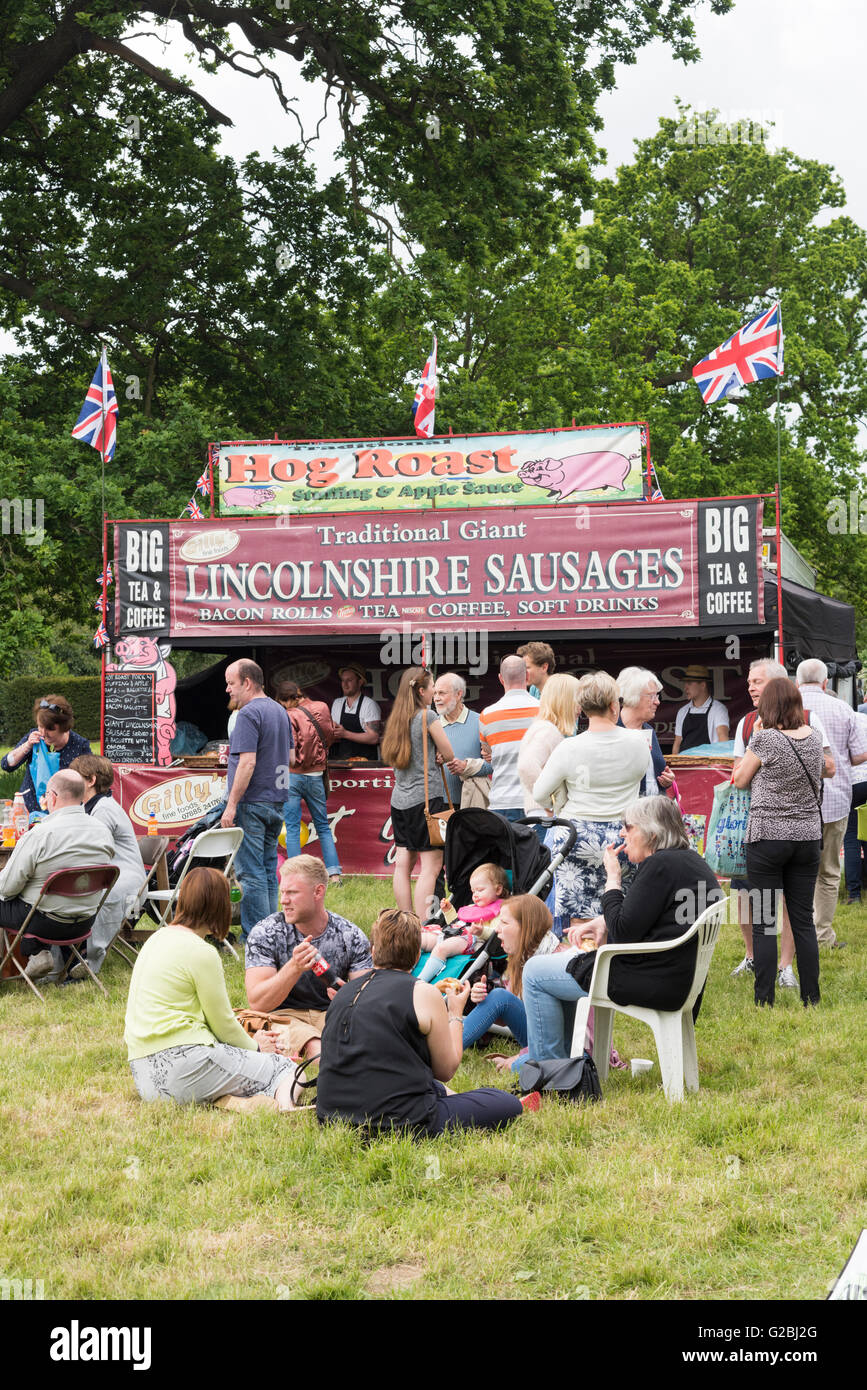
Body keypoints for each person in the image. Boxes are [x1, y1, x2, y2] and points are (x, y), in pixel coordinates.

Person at [521, 797, 723, 1059]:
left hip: (654, 979)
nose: (621, 833)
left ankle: (547, 1068)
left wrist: (613, 879)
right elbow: (652, 916)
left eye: (628, 827)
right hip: (677, 976)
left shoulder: (659, 865)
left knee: (535, 972)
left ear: (651, 832)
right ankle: (569, 1060)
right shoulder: (689, 861)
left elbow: (623, 932)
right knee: (562, 966)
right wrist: (603, 920)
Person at [315, 907, 530, 1135]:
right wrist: (455, 1013)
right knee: (506, 1103)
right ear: (418, 956)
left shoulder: (345, 991)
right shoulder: (422, 992)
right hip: (397, 1120)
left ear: (374, 950)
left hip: (331, 1114)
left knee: (431, 1085)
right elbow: (446, 1069)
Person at [125, 867, 299, 1110]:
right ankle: (286, 1108)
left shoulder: (157, 938)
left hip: (146, 1078)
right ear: (219, 906)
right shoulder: (202, 952)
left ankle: (236, 1103)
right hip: (186, 1065)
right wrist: (258, 1047)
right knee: (285, 1068)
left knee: (232, 1066)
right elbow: (223, 1024)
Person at [730, 658, 833, 984]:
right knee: (748, 896)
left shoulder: (804, 723)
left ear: (776, 688)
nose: (750, 687)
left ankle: (780, 972)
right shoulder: (747, 723)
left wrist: (772, 758)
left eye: (757, 681)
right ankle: (765, 965)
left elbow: (740, 777)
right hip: (798, 830)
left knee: (774, 909)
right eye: (749, 682)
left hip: (768, 831)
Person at [531, 671, 651, 923]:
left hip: (576, 835)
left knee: (577, 921)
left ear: (583, 708)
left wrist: (558, 804)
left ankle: (580, 960)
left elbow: (540, 792)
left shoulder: (569, 747)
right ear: (613, 705)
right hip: (624, 836)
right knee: (619, 911)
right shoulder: (638, 742)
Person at [244, 855, 373, 1062]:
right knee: (316, 1049)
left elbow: (369, 1000)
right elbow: (257, 1003)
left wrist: (346, 996)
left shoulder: (350, 935)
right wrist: (293, 968)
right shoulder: (266, 932)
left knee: (370, 1041)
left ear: (318, 892)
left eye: (292, 893)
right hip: (282, 1017)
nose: (283, 900)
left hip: (330, 1014)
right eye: (283, 892)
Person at [0, 769, 115, 980]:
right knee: (39, 893)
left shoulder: (40, 833)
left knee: (18, 896)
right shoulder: (103, 831)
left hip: (43, 922)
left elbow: (6, 888)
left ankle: (26, 957)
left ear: (52, 797)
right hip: (85, 921)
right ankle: (42, 952)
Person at [796, 658, 867, 949]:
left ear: (797, 681)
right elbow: (860, 754)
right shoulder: (843, 709)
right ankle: (822, 935)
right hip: (835, 797)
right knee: (827, 871)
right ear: (826, 683)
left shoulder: (784, 707)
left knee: (798, 872)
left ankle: (797, 934)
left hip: (795, 801)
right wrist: (839, 758)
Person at [221, 660, 292, 942]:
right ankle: (275, 931)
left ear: (247, 683)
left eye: (231, 683)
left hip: (251, 802)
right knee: (267, 870)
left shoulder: (248, 714)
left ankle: (257, 936)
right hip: (275, 800)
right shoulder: (280, 711)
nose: (227, 690)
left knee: (251, 874)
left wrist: (231, 804)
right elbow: (291, 759)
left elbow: (247, 763)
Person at [381, 667, 455, 921]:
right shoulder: (427, 716)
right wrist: (439, 754)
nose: (434, 691)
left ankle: (406, 920)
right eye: (432, 686)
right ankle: (425, 926)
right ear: (421, 691)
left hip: (399, 801)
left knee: (403, 864)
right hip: (426, 801)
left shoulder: (397, 719)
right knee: (431, 867)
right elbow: (449, 753)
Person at [68, 754, 147, 978]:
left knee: (87, 892)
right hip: (113, 874)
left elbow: (89, 851)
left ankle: (88, 961)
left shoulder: (103, 810)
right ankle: (70, 956)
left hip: (125, 882)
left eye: (76, 778)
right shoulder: (93, 807)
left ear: (91, 780)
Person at [461, 894, 562, 1067]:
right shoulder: (522, 959)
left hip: (568, 1049)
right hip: (539, 1038)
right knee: (499, 997)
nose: (497, 930)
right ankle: (444, 1049)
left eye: (505, 923)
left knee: (520, 1068)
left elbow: (571, 1035)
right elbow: (513, 1012)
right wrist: (486, 1003)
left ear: (526, 928)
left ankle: (529, 1058)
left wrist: (519, 1057)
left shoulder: (558, 962)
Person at [273, 679, 343, 887]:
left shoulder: (288, 715)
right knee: (323, 826)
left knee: (292, 828)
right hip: (316, 776)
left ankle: (295, 879)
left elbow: (289, 753)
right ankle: (335, 875)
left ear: (285, 701)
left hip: (292, 776)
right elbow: (330, 736)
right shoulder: (322, 707)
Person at [417, 862, 509, 982]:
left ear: (498, 889)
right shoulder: (473, 907)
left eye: (480, 890)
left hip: (474, 941)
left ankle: (420, 981)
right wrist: (449, 911)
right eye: (473, 891)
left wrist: (481, 931)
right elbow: (457, 924)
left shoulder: (500, 911)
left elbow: (497, 934)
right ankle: (404, 969)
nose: (475, 895)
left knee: (441, 949)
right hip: (454, 933)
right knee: (418, 939)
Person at [1, 695, 92, 817]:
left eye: (50, 729)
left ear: (64, 727)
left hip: (63, 814)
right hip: (29, 812)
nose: (43, 733)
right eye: (40, 726)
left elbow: (89, 782)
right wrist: (27, 745)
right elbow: (6, 764)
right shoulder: (34, 738)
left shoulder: (80, 745)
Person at [478, 654, 540, 821]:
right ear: (527, 676)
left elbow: (489, 754)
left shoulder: (486, 715)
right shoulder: (545, 711)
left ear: (500, 678)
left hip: (502, 801)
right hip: (537, 801)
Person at [517, 673, 583, 823]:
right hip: (544, 816)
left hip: (542, 813)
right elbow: (526, 766)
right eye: (577, 701)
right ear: (565, 702)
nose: (581, 708)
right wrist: (548, 802)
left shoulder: (546, 728)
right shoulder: (548, 731)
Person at [432, 672, 491, 808]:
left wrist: (467, 767)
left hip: (471, 803)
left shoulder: (480, 722)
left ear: (458, 695)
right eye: (435, 693)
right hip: (437, 804)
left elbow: (493, 764)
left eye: (442, 693)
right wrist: (432, 760)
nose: (436, 698)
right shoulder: (431, 724)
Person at [616, 667, 675, 793]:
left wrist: (667, 780)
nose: (657, 702)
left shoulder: (649, 730)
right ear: (633, 696)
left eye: (657, 696)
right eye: (652, 696)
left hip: (654, 808)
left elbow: (654, 776)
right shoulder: (612, 730)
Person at [671, 664, 729, 753]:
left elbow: (723, 737)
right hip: (684, 763)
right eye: (685, 683)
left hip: (708, 763)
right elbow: (677, 743)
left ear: (702, 685)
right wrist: (673, 765)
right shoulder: (682, 711)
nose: (685, 687)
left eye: (689, 683)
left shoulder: (718, 709)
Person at [330, 663, 383, 761]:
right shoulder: (337, 703)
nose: (345, 684)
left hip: (366, 763)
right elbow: (332, 731)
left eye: (349, 680)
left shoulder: (369, 705)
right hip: (344, 761)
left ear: (360, 682)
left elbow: (374, 738)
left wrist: (345, 734)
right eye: (343, 680)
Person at [843, 711, 867, 904]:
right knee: (866, 835)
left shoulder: (841, 721)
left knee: (851, 839)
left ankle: (854, 893)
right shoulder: (863, 719)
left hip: (852, 782)